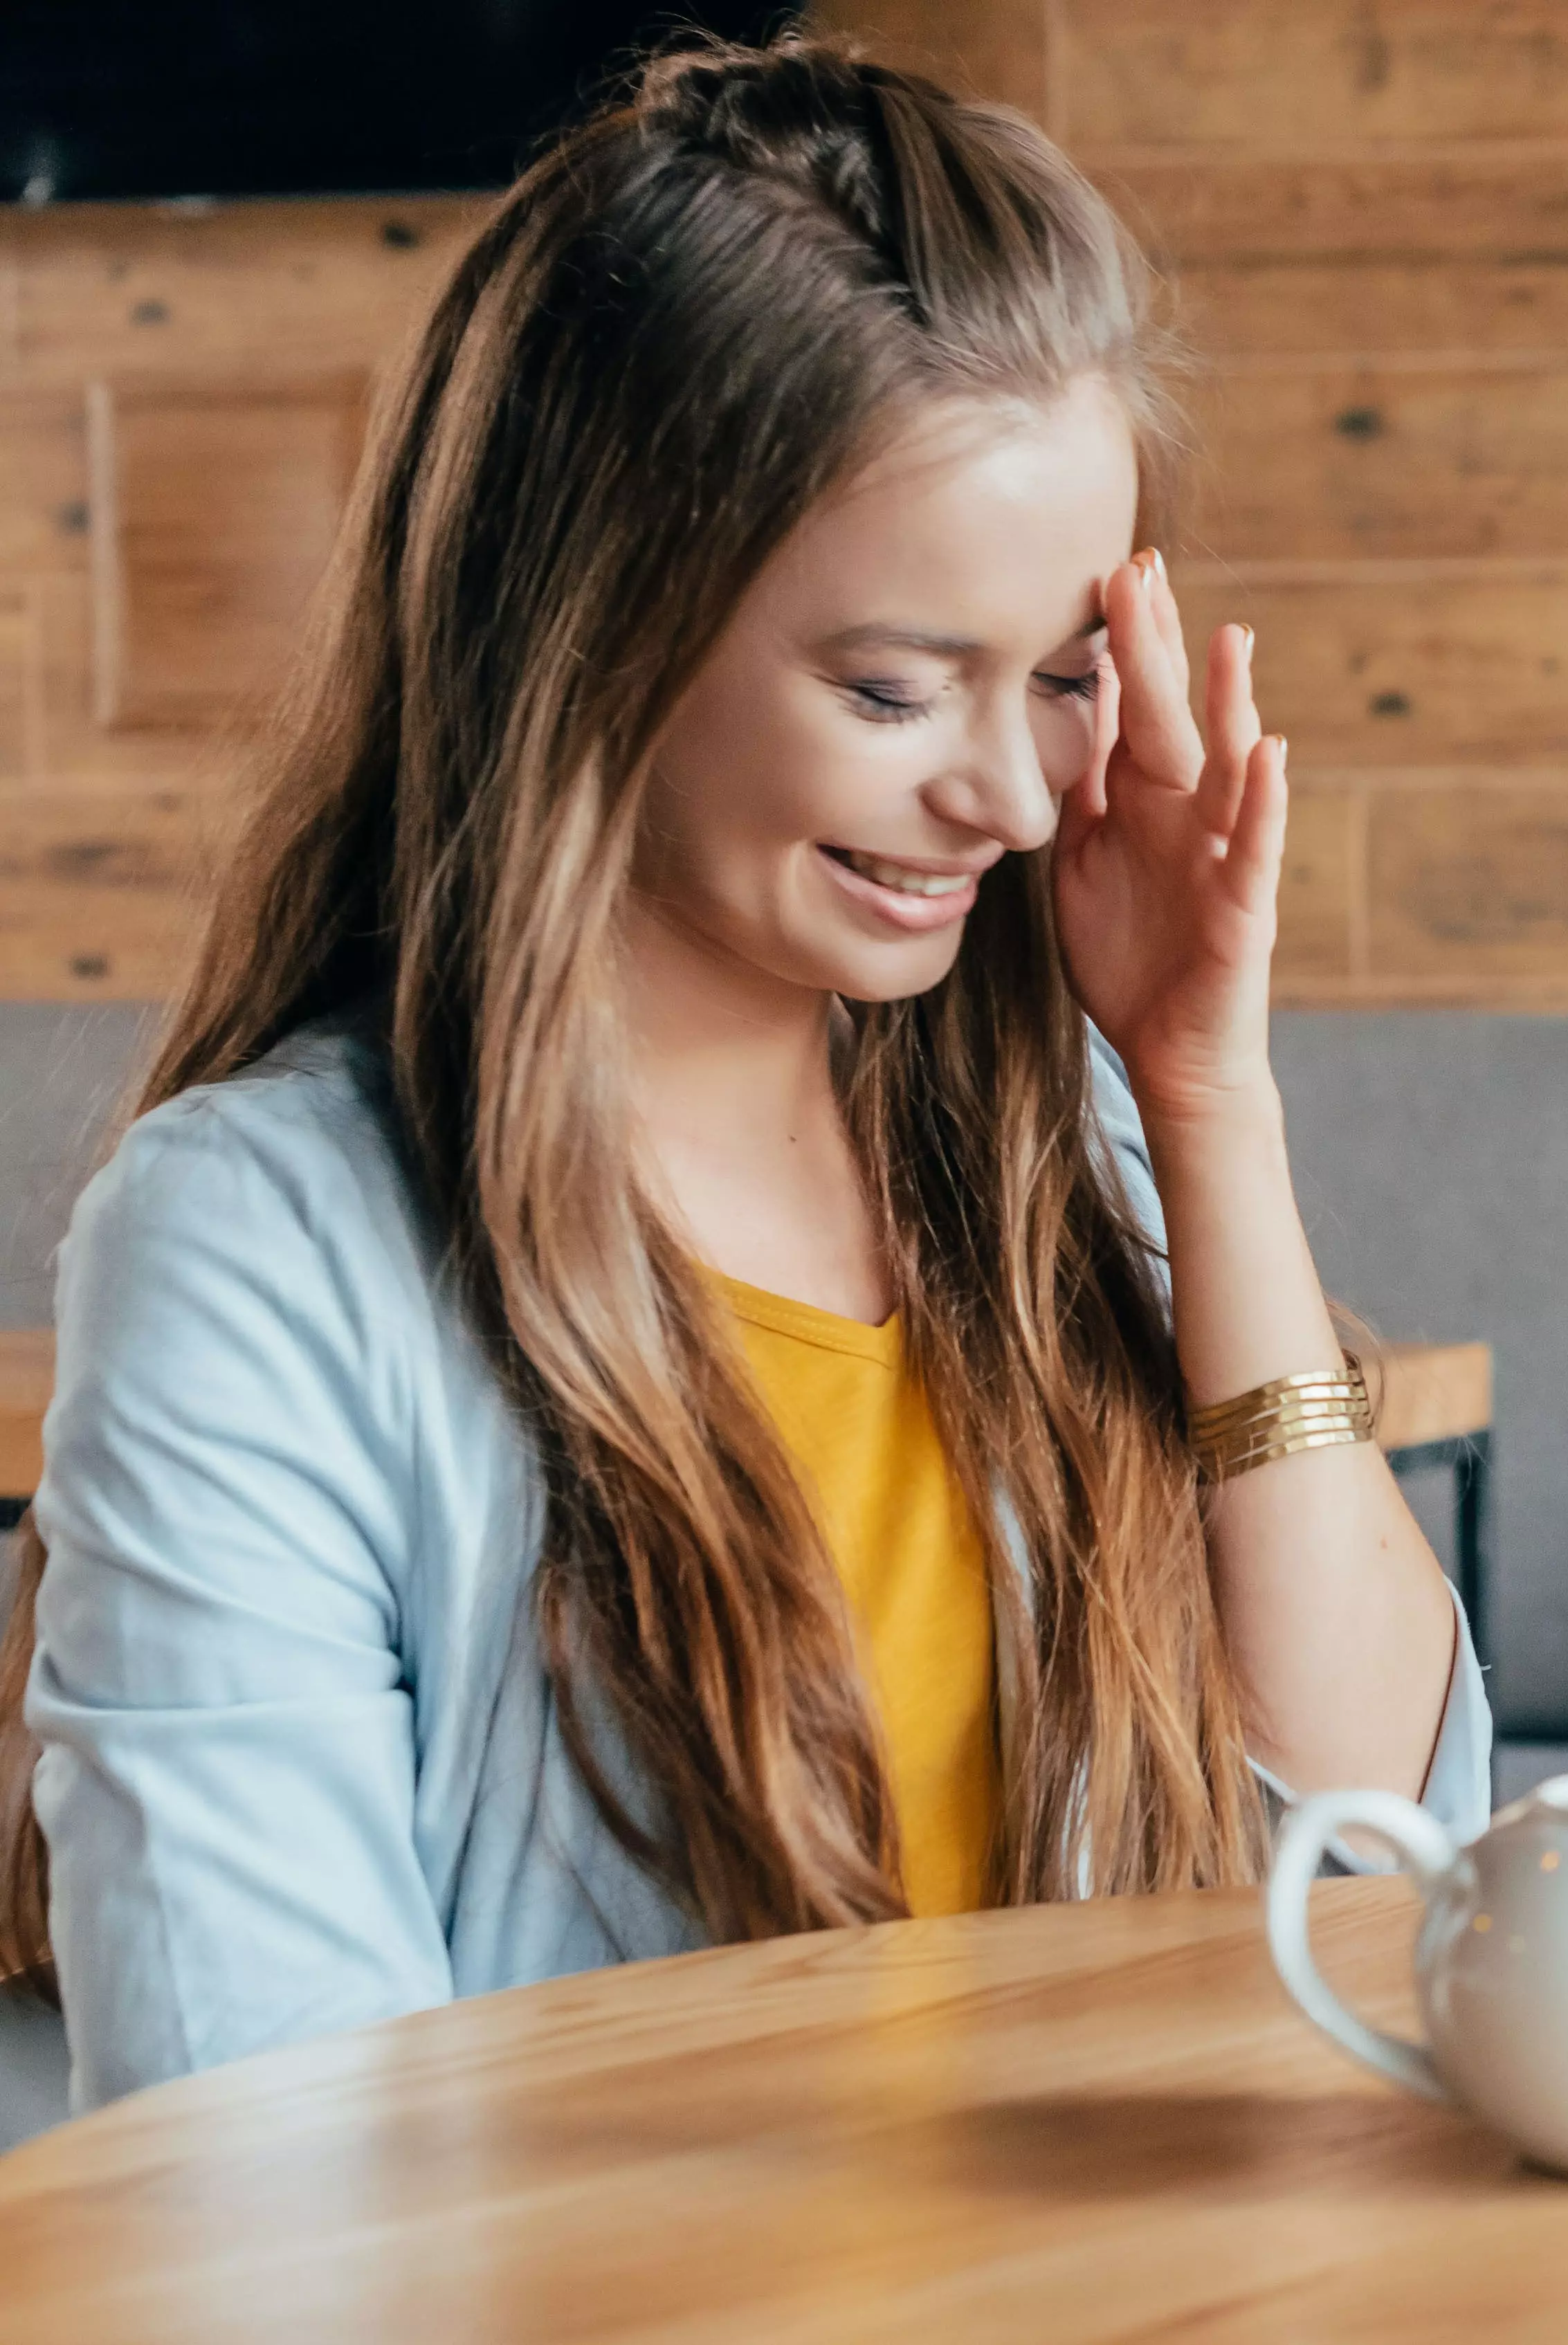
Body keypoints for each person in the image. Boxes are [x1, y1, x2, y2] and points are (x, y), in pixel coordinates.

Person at [0, 37, 1484, 2112]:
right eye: (891, 687)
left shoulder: (1076, 1141)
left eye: (1060, 677)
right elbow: (261, 2174)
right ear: (597, 620)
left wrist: (1209, 1099)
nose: (1007, 791)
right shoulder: (259, 1244)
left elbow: (1374, 1855)